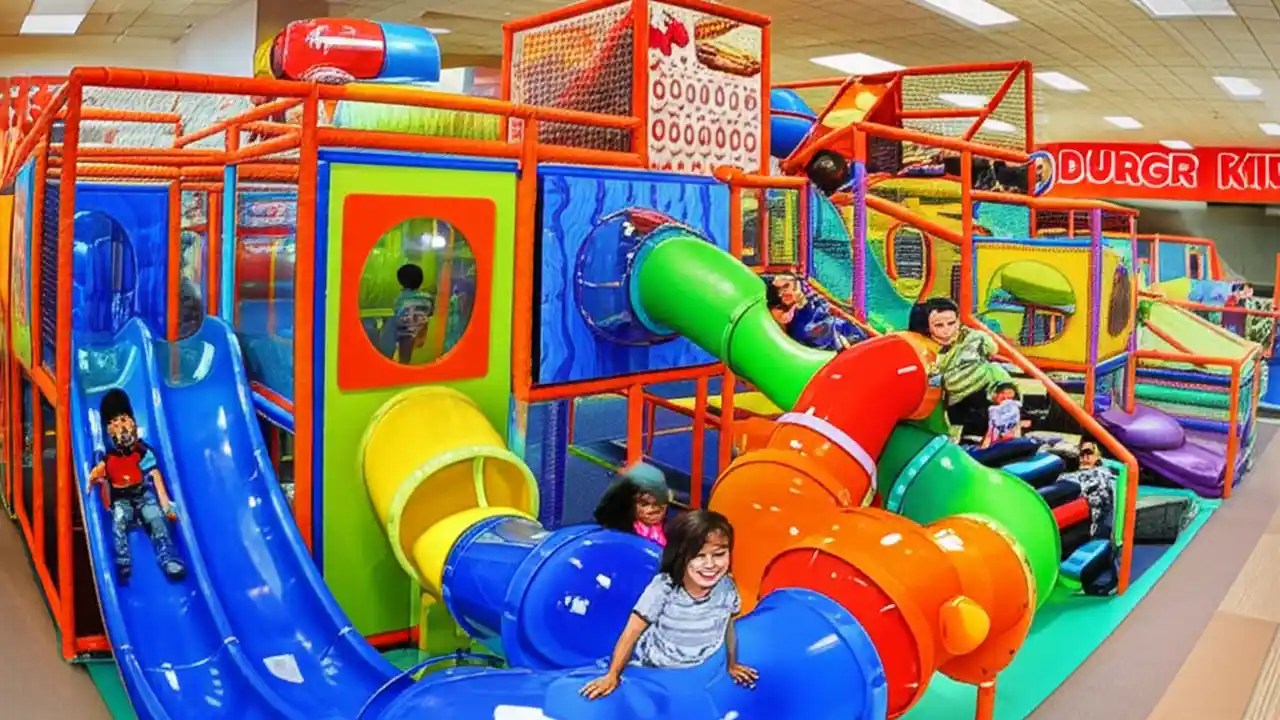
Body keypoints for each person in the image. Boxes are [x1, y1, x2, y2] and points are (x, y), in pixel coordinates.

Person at [581, 510, 757, 699]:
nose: (710, 564)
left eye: (719, 554)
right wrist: (612, 676)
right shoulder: (665, 588)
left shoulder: (726, 587)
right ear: (681, 557)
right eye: (698, 556)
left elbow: (727, 624)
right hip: (654, 662)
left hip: (695, 662)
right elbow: (632, 631)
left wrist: (732, 664)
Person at [88, 390, 186, 582]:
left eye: (123, 420)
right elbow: (99, 478)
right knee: (118, 520)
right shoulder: (108, 459)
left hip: (142, 494)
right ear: (108, 430)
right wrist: (96, 486)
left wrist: (166, 505)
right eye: (114, 424)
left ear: (132, 422)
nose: (120, 428)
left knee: (155, 516)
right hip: (121, 499)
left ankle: (168, 557)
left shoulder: (141, 451)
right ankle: (123, 561)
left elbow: (155, 475)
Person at [909, 298, 1011, 438]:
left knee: (996, 372)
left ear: (958, 321)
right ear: (927, 327)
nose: (947, 330)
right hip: (956, 397)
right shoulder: (929, 348)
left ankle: (1005, 419)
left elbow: (992, 348)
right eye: (939, 325)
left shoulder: (972, 337)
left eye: (951, 323)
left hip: (981, 386)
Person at [594, 461, 672, 546]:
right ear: (629, 504)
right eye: (645, 504)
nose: (654, 510)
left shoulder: (668, 528)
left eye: (660, 504)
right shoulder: (621, 531)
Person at [1062, 440, 1116, 540]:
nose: (1084, 457)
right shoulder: (1069, 476)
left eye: (1089, 453)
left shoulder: (1102, 475)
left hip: (1090, 533)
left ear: (1098, 456)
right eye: (1082, 454)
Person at [391, 263, 434, 363]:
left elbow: (397, 314)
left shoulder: (400, 299)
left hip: (405, 334)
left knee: (404, 360)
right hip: (422, 334)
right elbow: (430, 313)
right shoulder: (427, 298)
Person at [982, 381, 1025, 448]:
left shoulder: (1014, 408)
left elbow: (1014, 427)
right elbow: (990, 431)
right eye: (1003, 393)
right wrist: (984, 446)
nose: (1006, 397)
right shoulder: (993, 410)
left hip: (1011, 442)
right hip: (996, 443)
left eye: (1009, 394)